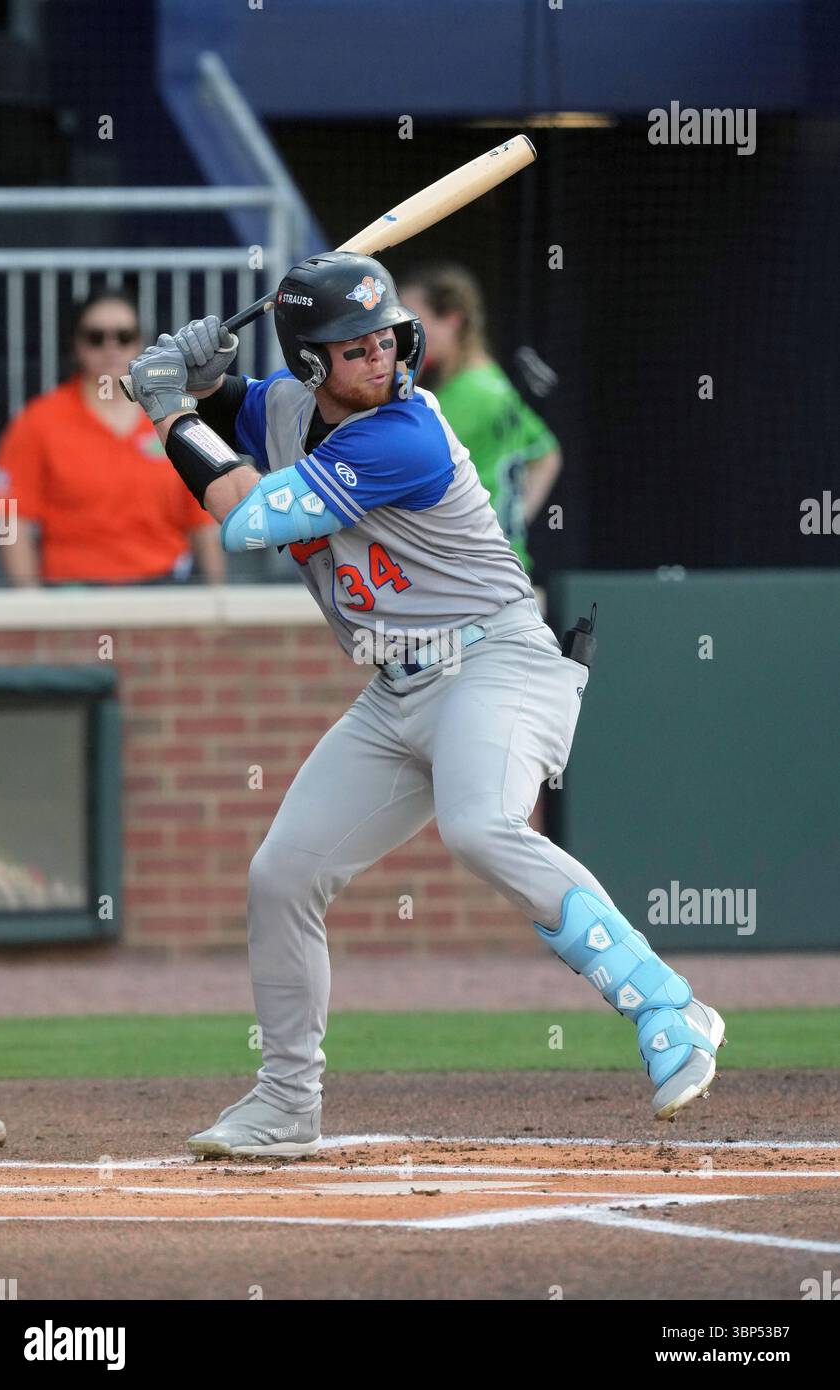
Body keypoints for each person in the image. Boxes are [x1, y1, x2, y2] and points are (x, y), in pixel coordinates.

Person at [128, 251, 726, 1160]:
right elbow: (242, 404)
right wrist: (201, 374)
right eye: (353, 346)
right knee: (280, 876)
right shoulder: (291, 406)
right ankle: (287, 1102)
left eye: (386, 338)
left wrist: (169, 407)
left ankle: (671, 1009)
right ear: (312, 363)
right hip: (394, 692)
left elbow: (247, 517)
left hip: (496, 663)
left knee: (481, 825)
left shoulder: (402, 433)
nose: (381, 356)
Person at [0, 289, 223, 587]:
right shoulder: (38, 421)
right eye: (96, 337)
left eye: (124, 336)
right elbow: (12, 518)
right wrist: (31, 606)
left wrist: (218, 604)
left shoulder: (176, 417)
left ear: (141, 344)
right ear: (76, 346)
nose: (111, 347)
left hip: (164, 590)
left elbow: (201, 521)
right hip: (72, 596)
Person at [399, 263, 561, 576]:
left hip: (475, 569)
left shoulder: (471, 394)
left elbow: (399, 465)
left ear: (452, 319)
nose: (404, 335)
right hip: (498, 561)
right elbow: (548, 453)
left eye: (414, 322)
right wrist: (511, 525)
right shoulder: (492, 381)